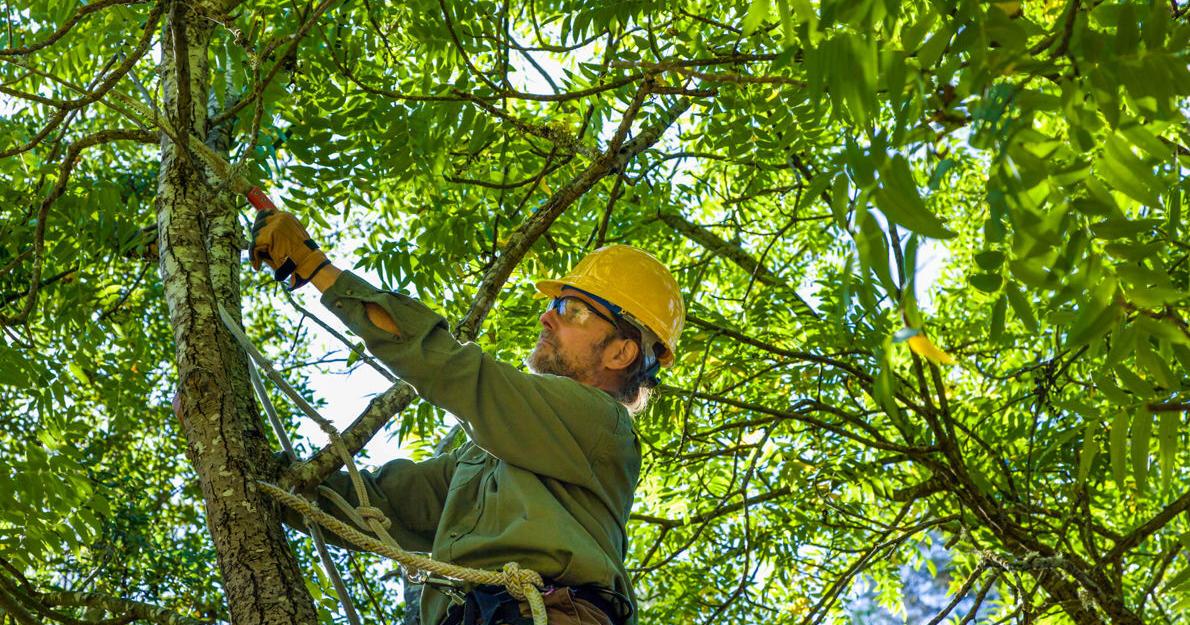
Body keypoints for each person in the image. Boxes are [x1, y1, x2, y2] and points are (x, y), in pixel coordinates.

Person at [248, 205, 684, 625]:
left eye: (571, 310)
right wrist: (259, 472)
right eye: (554, 306)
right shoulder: (487, 461)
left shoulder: (600, 424)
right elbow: (379, 506)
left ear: (620, 352)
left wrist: (317, 269)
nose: (546, 318)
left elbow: (453, 371)